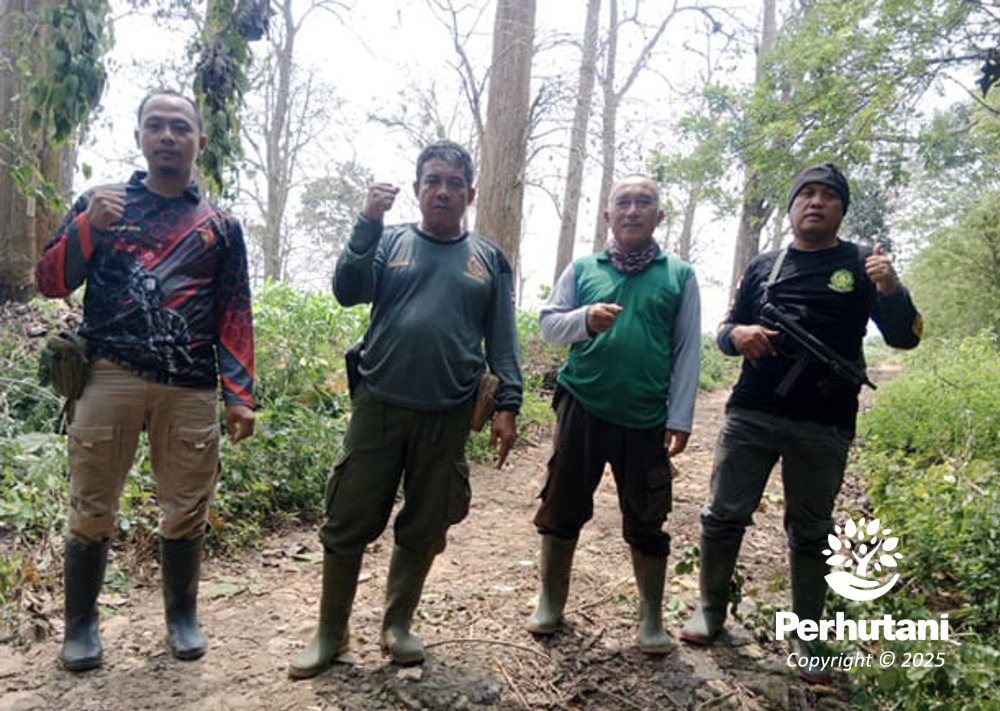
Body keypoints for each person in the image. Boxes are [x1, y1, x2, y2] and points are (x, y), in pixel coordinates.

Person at [35, 90, 256, 672]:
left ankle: (182, 617)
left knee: (187, 505)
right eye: (155, 126)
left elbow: (234, 310)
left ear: (199, 142)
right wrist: (87, 227)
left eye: (179, 127)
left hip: (191, 385)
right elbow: (50, 281)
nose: (167, 136)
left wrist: (240, 395)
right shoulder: (101, 203)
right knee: (92, 504)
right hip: (110, 375)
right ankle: (80, 626)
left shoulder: (220, 226)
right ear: (139, 137)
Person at [288, 140, 523, 678]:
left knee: (427, 520)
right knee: (348, 517)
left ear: (470, 194)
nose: (443, 191)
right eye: (433, 181)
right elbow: (347, 290)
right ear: (417, 189)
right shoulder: (389, 241)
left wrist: (508, 404)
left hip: (449, 410)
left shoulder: (489, 260)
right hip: (380, 404)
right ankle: (330, 633)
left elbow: (503, 341)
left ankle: (397, 626)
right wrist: (367, 222)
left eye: (454, 183)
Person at [679, 163, 922, 682]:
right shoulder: (764, 266)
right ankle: (711, 609)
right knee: (722, 515)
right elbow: (725, 329)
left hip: (825, 421)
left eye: (828, 196)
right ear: (792, 207)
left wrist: (891, 288)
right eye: (806, 194)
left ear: (842, 210)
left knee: (812, 531)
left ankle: (808, 635)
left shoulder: (863, 264)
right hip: (752, 411)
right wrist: (737, 335)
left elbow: (905, 338)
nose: (816, 202)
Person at [526, 175, 701, 654]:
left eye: (644, 202)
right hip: (582, 404)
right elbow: (549, 325)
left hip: (646, 414)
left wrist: (680, 416)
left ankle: (651, 619)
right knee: (562, 502)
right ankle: (550, 602)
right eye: (623, 202)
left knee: (647, 514)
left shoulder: (679, 275)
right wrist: (585, 319)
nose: (633, 210)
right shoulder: (584, 268)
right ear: (608, 215)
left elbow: (687, 349)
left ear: (659, 216)